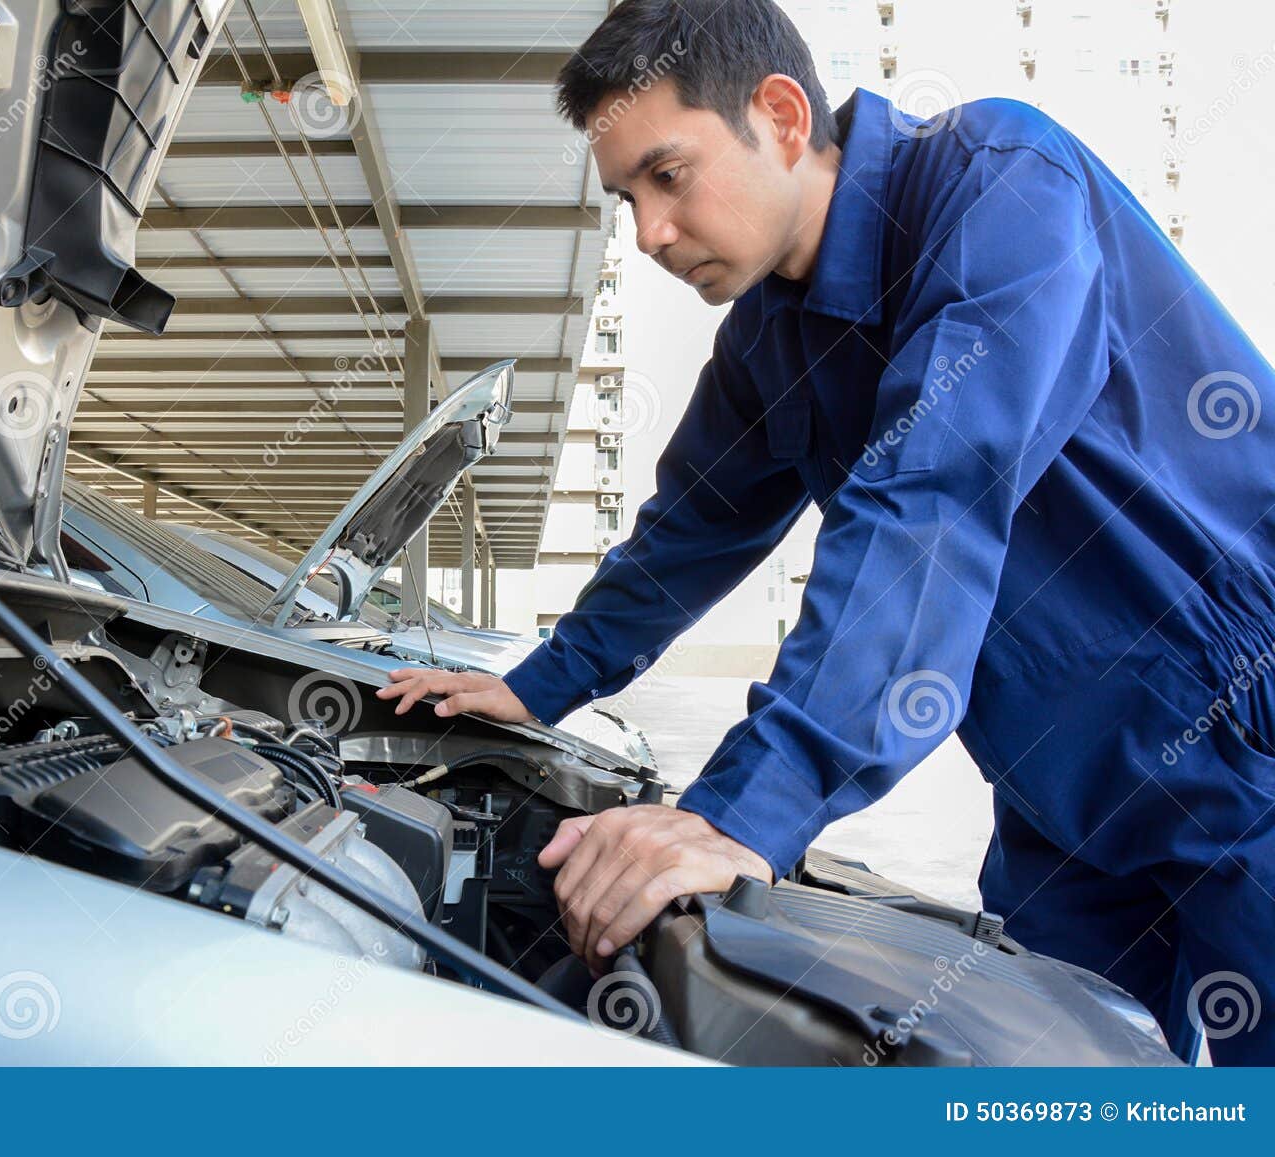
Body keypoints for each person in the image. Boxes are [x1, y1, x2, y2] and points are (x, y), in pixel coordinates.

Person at [377, 0, 1275, 1064]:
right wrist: (536, 684)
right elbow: (687, 533)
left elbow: (931, 495)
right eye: (626, 199)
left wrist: (744, 811)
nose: (651, 233)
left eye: (669, 176)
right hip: (1055, 787)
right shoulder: (769, 341)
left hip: (1239, 729)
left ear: (782, 115)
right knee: (1042, 1083)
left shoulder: (1001, 186)